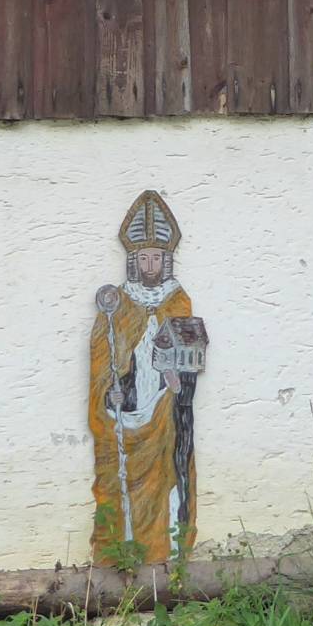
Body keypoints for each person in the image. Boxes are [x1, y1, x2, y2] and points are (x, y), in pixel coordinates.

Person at [89, 190, 203, 564]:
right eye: (144, 258)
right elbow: (103, 359)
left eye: (156, 257)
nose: (150, 265)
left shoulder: (177, 301)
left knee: (166, 479)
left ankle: (164, 554)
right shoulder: (117, 305)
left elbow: (190, 354)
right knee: (119, 484)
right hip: (127, 413)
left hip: (164, 414)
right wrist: (111, 394)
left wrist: (177, 384)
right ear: (134, 261)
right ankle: (120, 556)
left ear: (165, 260)